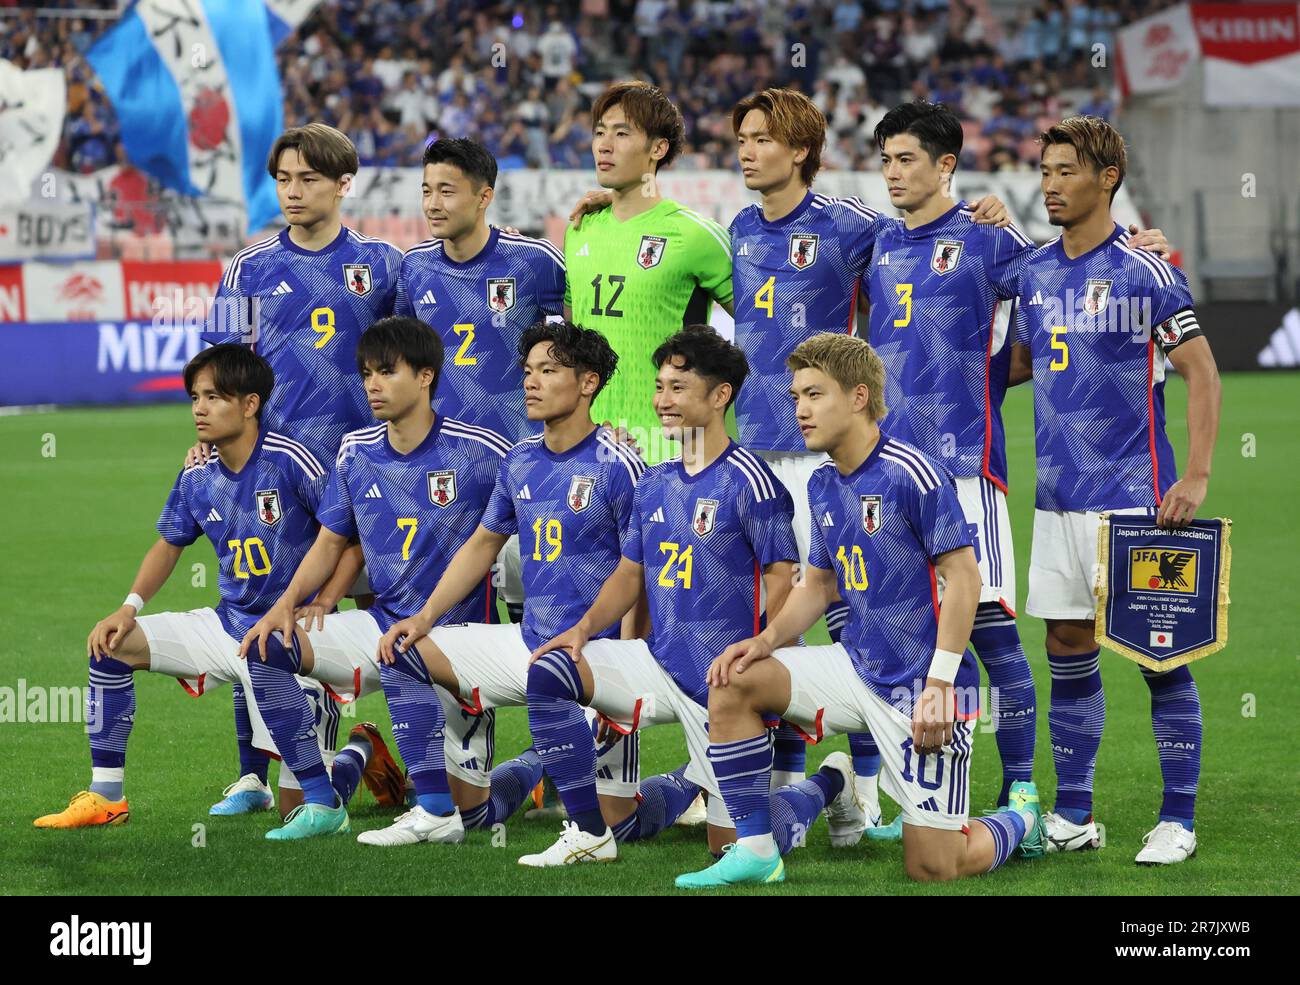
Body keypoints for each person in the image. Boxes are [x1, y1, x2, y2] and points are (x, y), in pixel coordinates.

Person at [677, 333, 1047, 887]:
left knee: (934, 868)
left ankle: (1020, 819)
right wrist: (765, 640)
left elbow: (964, 579)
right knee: (734, 678)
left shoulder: (911, 472)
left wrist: (941, 684)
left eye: (814, 394)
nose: (800, 410)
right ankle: (756, 849)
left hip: (920, 689)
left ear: (857, 397)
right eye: (796, 395)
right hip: (853, 669)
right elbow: (820, 585)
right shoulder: (824, 483)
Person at [521, 325, 865, 869]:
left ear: (720, 395)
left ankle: (831, 780)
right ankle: (594, 832)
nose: (662, 401)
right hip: (657, 665)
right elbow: (629, 575)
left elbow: (782, 580)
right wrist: (583, 632)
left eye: (678, 388)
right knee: (550, 672)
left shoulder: (752, 482)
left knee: (732, 847)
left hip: (723, 684)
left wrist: (759, 658)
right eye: (659, 387)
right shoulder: (654, 482)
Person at [34, 346, 381, 828]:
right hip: (227, 627)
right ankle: (106, 797)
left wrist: (324, 601)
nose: (199, 407)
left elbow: (346, 536)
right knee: (110, 647)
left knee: (294, 804)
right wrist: (128, 608)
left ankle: (359, 753)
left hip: (292, 639)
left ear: (249, 403)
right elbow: (168, 544)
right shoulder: (197, 472)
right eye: (195, 397)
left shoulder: (292, 460)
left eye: (214, 396)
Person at [1009, 116, 1221, 865]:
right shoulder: (1035, 272)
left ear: (1106, 179)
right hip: (1057, 498)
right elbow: (1025, 364)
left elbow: (1201, 370)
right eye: (1045, 171)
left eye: (1066, 170)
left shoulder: (1146, 271)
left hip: (1136, 494)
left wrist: (1194, 475)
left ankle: (1179, 819)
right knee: (1065, 644)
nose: (1051, 184)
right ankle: (1073, 812)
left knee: (1160, 652)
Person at [241, 317, 516, 842]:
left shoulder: (481, 450)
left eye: (387, 372)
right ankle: (327, 804)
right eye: (367, 372)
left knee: (476, 815)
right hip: (382, 626)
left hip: (458, 639)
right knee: (267, 647)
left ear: (426, 376)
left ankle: (532, 767)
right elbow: (329, 542)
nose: (372, 384)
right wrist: (287, 603)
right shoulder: (355, 451)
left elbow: (536, 492)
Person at [375, 320, 645, 847]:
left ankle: (685, 786)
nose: (532, 381)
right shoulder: (519, 459)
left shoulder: (619, 464)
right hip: (527, 645)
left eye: (549, 370)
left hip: (598, 657)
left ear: (588, 383)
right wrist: (424, 617)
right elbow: (481, 544)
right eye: (528, 371)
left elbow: (641, 571)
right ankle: (437, 811)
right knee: (401, 649)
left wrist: (632, 658)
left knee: (623, 825)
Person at [196, 123, 403, 811]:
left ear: (344, 183)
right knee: (264, 606)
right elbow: (217, 368)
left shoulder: (382, 263)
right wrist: (207, 439)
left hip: (369, 466)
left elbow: (406, 356)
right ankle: (257, 774)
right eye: (283, 178)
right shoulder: (247, 267)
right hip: (274, 470)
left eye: (308, 178)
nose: (292, 190)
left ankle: (395, 757)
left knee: (380, 607)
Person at [394, 136, 567, 624]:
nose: (433, 203)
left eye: (447, 191)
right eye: (426, 191)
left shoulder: (534, 261)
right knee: (454, 623)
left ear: (483, 196)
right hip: (445, 472)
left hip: (525, 464)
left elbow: (576, 350)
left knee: (538, 614)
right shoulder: (415, 267)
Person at [562, 81, 734, 464]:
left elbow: (760, 326)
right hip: (594, 449)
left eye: (622, 133)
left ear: (658, 148)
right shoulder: (579, 230)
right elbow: (577, 340)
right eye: (600, 133)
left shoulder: (694, 235)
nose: (604, 145)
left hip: (670, 454)